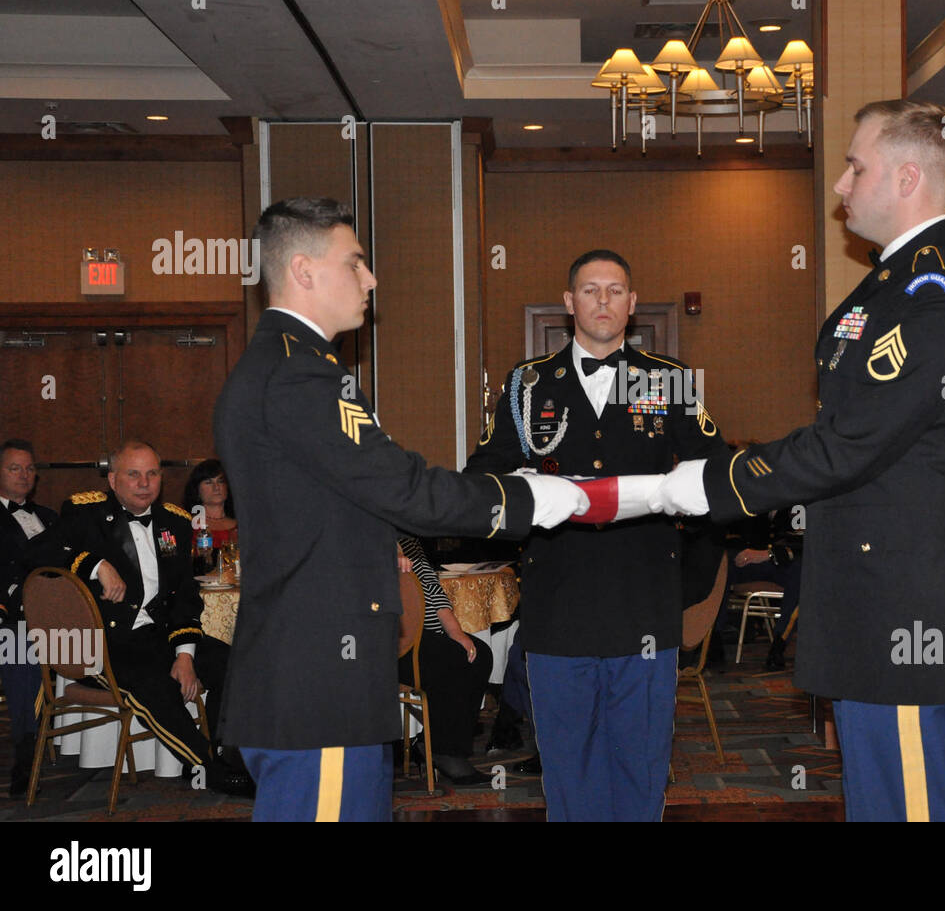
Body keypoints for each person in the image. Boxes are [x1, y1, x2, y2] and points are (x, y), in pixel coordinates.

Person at [654, 99, 945, 822]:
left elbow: (851, 442)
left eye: (855, 165)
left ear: (908, 177)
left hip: (909, 606)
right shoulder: (894, 282)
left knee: (912, 806)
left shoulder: (935, 294)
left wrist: (713, 481)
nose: (842, 185)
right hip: (873, 597)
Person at [213, 197, 585, 822]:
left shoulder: (287, 368)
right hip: (317, 684)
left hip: (323, 670)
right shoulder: (298, 376)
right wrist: (528, 497)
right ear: (304, 271)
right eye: (355, 262)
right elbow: (404, 488)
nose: (371, 278)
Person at [465, 247, 728, 822]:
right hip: (560, 602)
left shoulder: (670, 380)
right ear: (568, 303)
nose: (603, 301)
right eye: (590, 290)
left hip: (645, 602)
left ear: (632, 305)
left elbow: (717, 472)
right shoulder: (526, 386)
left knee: (641, 758)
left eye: (615, 290)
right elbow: (481, 478)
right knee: (568, 762)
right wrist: (528, 488)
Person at [51, 440, 248, 793]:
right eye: (134, 474)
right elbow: (40, 552)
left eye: (152, 473)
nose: (144, 483)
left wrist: (185, 656)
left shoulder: (175, 521)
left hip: (160, 634)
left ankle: (225, 753)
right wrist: (97, 566)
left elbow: (186, 597)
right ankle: (207, 768)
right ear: (112, 480)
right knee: (157, 684)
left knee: (232, 665)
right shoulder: (85, 513)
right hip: (105, 643)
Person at [395, 536, 492, 785]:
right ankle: (441, 750)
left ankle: (439, 744)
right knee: (449, 662)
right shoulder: (365, 534)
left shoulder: (406, 538)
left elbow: (431, 586)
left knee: (476, 655)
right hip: (387, 641)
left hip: (421, 633)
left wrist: (455, 632)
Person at [0, 439, 59, 796]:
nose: (24, 475)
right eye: (14, 468)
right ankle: (26, 749)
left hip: (58, 616)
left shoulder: (51, 518)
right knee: (21, 648)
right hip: (11, 618)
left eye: (29, 468)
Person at [727, 505, 803, 671]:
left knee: (800, 572)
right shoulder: (754, 494)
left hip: (787, 565)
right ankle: (711, 639)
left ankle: (779, 643)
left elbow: (804, 544)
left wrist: (768, 554)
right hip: (755, 561)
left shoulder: (800, 500)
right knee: (721, 562)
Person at [182, 459, 237, 550]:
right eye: (208, 482)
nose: (216, 487)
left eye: (220, 481)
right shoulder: (187, 526)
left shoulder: (242, 526)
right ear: (197, 490)